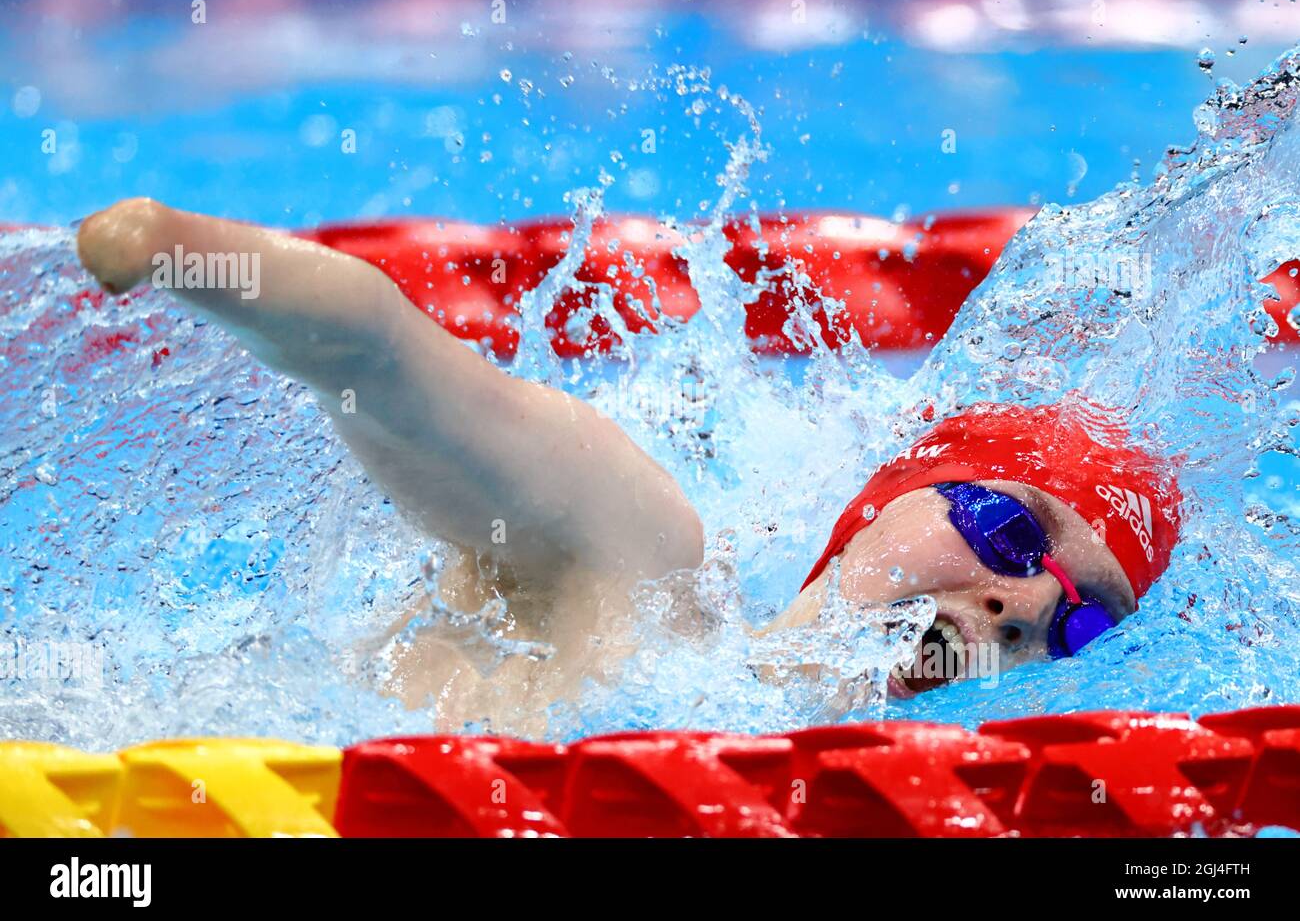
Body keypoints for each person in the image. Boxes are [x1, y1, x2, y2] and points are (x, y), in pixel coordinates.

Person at [75, 198, 1181, 728]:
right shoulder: (642, 566)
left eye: (1077, 620)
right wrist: (171, 248)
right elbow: (376, 346)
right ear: (886, 499)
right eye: (1009, 528)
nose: (1017, 599)